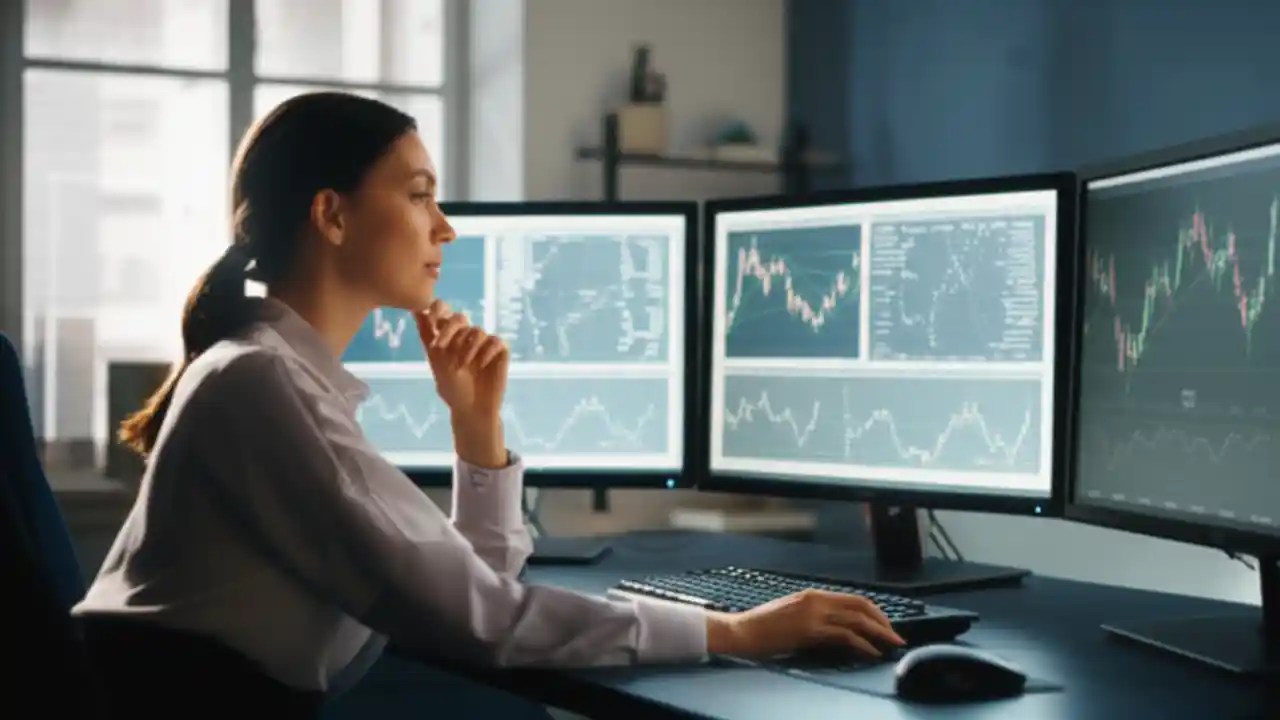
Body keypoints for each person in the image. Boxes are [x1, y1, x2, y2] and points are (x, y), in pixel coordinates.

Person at [71, 92, 903, 717]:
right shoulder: (258, 384)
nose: (446, 228)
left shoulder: (271, 376)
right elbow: (480, 619)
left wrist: (477, 432)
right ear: (330, 214)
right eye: (419, 194)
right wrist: (738, 632)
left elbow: (462, 595)